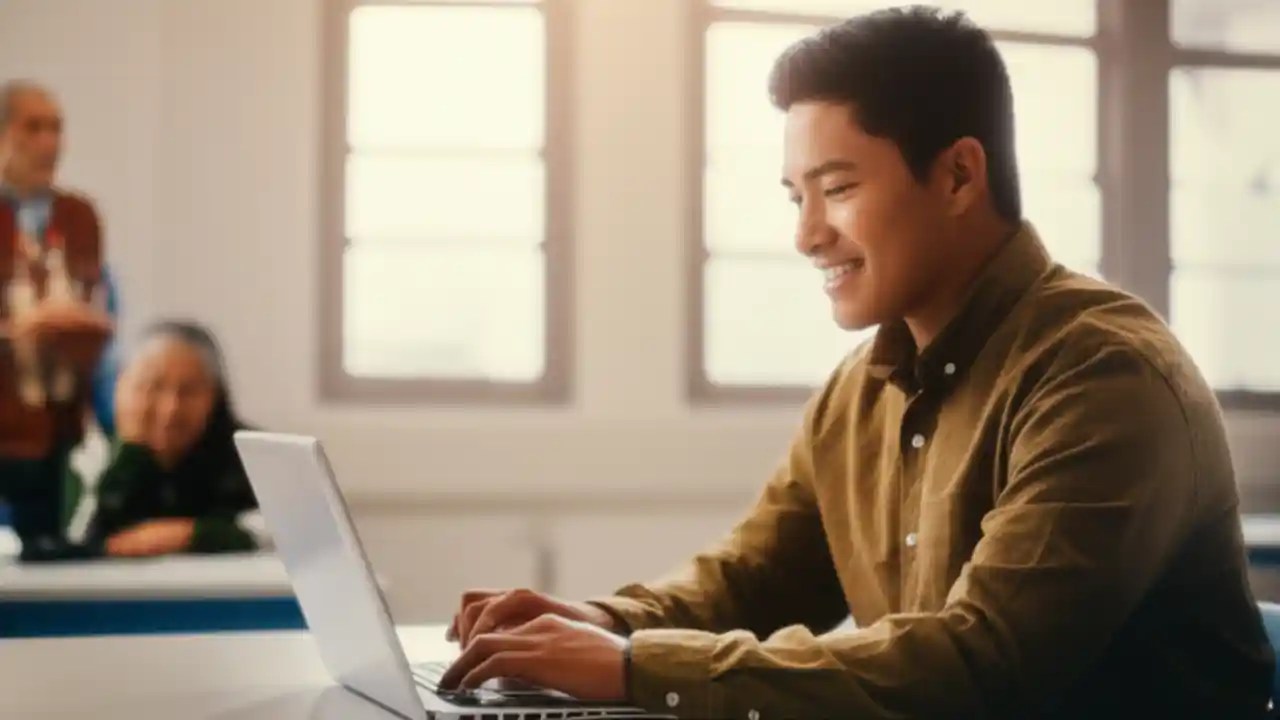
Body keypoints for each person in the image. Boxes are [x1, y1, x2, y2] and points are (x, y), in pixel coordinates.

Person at [436, 8, 1275, 719]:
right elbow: (752, 582)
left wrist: (632, 668)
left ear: (956, 175)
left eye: (836, 189)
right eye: (795, 197)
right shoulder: (860, 388)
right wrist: (596, 623)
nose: (805, 235)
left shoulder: (1102, 376)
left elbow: (984, 662)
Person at [0, 79, 114, 561]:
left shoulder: (79, 215)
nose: (49, 142)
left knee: (53, 554)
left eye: (56, 128)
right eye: (34, 127)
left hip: (60, 419)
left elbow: (99, 299)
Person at [84, 321, 259, 557]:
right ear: (120, 387)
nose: (170, 409)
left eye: (188, 391)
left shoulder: (251, 457)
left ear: (215, 398)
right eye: (152, 387)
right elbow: (86, 538)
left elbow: (271, 532)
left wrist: (191, 535)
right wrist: (132, 453)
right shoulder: (85, 452)